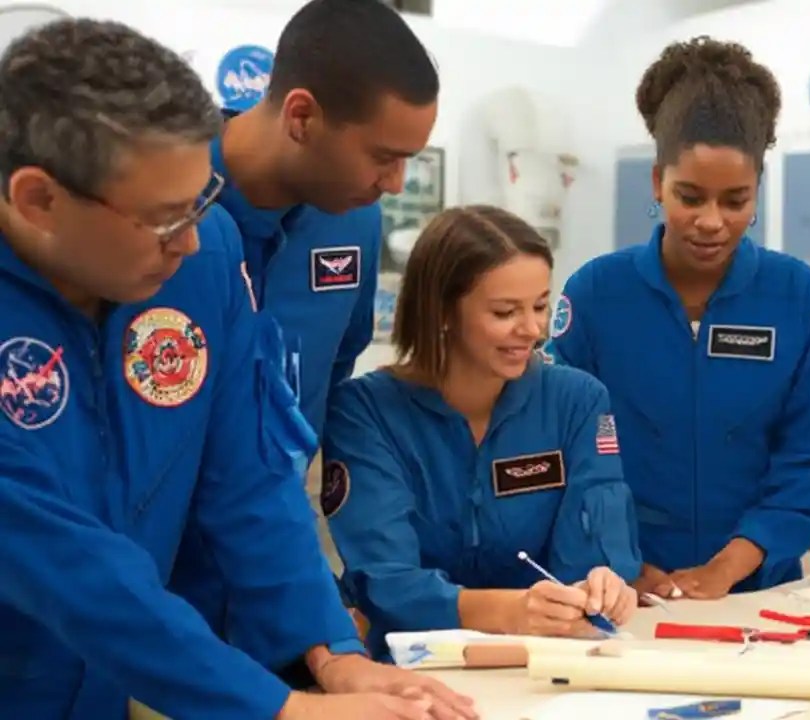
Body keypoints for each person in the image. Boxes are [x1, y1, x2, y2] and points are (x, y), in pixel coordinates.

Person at [0, 18, 475, 720]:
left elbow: (250, 475)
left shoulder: (206, 256)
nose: (193, 240)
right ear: (40, 199)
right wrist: (284, 709)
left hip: (113, 684)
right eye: (166, 218)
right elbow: (67, 564)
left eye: (200, 201)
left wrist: (331, 656)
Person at [545, 37, 810, 600]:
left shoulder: (798, 297)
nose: (710, 221)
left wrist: (732, 565)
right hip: (615, 589)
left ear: (757, 191)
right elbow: (564, 448)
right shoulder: (596, 294)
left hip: (757, 593)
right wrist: (621, 563)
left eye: (734, 200)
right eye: (689, 196)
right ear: (657, 183)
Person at [169, 0, 439, 645]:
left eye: (409, 160)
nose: (396, 184)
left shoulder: (354, 221)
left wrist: (321, 631)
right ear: (301, 116)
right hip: (148, 597)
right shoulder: (164, 209)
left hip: (276, 588)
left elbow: (322, 384)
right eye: (382, 156)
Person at [323, 205, 642, 659]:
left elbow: (595, 546)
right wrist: (510, 611)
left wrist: (602, 586)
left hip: (551, 664)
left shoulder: (577, 401)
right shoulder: (366, 412)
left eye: (539, 306)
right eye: (505, 311)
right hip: (414, 673)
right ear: (443, 311)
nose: (531, 330)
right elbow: (385, 581)